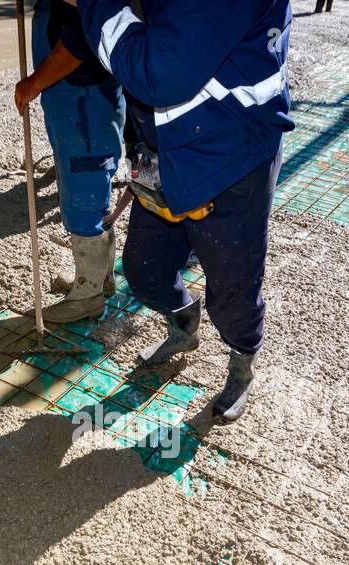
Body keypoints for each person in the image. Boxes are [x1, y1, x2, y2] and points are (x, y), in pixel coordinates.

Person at [77, 0, 293, 424]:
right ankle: (183, 327)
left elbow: (163, 74)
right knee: (143, 270)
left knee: (233, 292)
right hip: (168, 149)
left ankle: (241, 366)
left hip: (232, 157)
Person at [15, 0, 126, 324]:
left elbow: (77, 42)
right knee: (90, 187)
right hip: (76, 97)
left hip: (85, 99)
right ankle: (99, 278)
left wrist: (33, 83)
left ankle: (88, 295)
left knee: (84, 194)